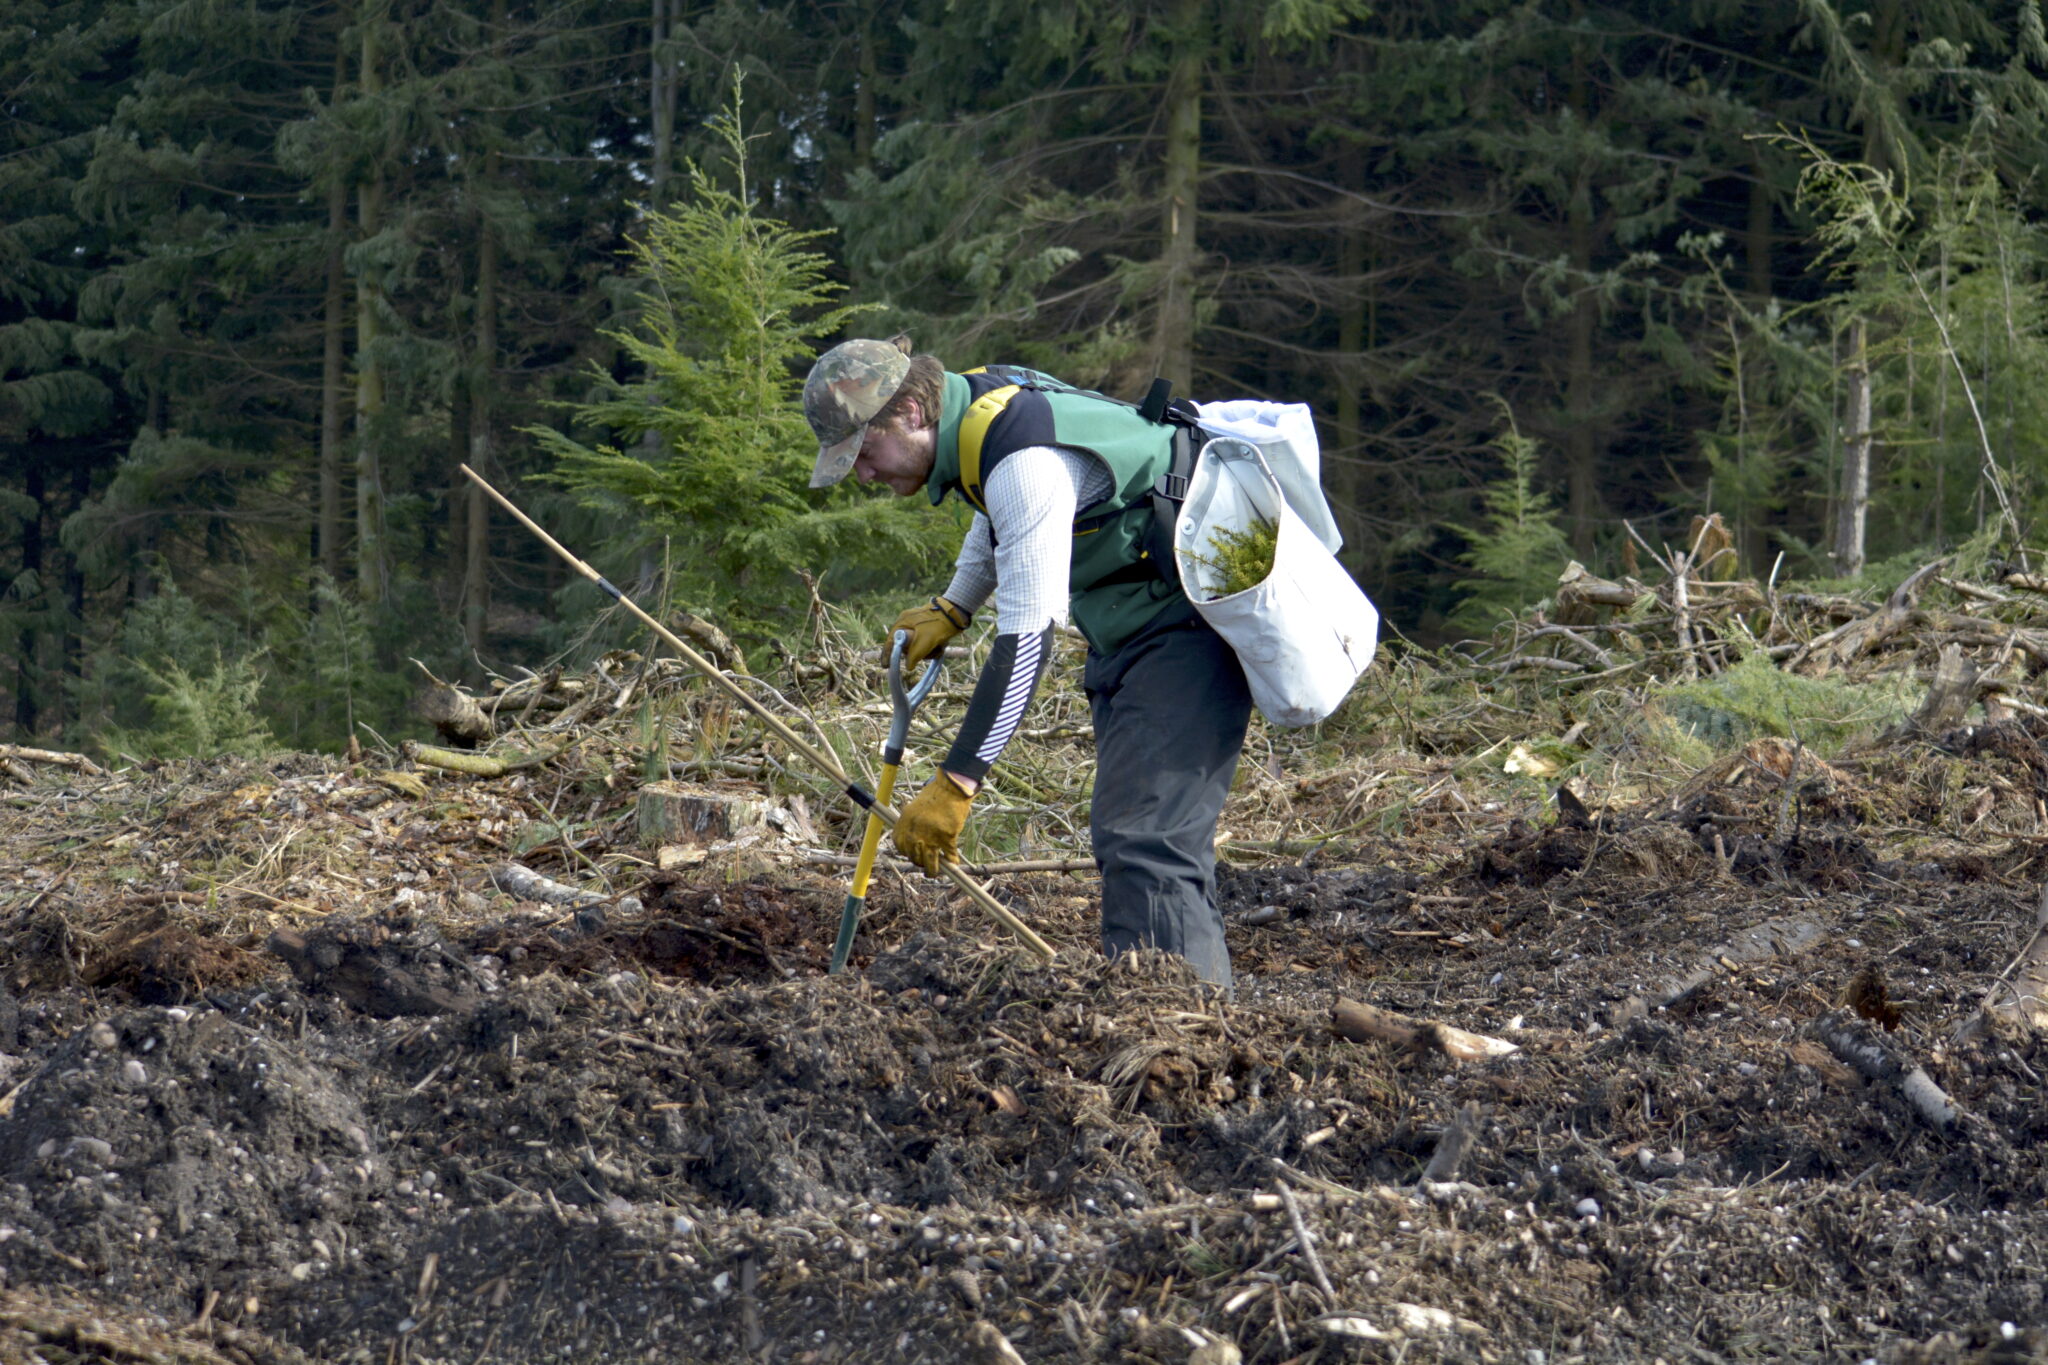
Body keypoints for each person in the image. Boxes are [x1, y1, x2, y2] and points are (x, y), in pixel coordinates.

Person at [801, 335, 1253, 988]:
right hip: (1136, 627)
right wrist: (956, 604)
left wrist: (958, 781)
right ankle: (1186, 1002)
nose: (863, 475)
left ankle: (1180, 1031)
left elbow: (1029, 640)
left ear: (910, 412)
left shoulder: (1023, 457)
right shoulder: (979, 410)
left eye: (865, 453)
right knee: (1143, 838)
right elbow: (998, 513)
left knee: (1145, 842)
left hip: (1183, 629)